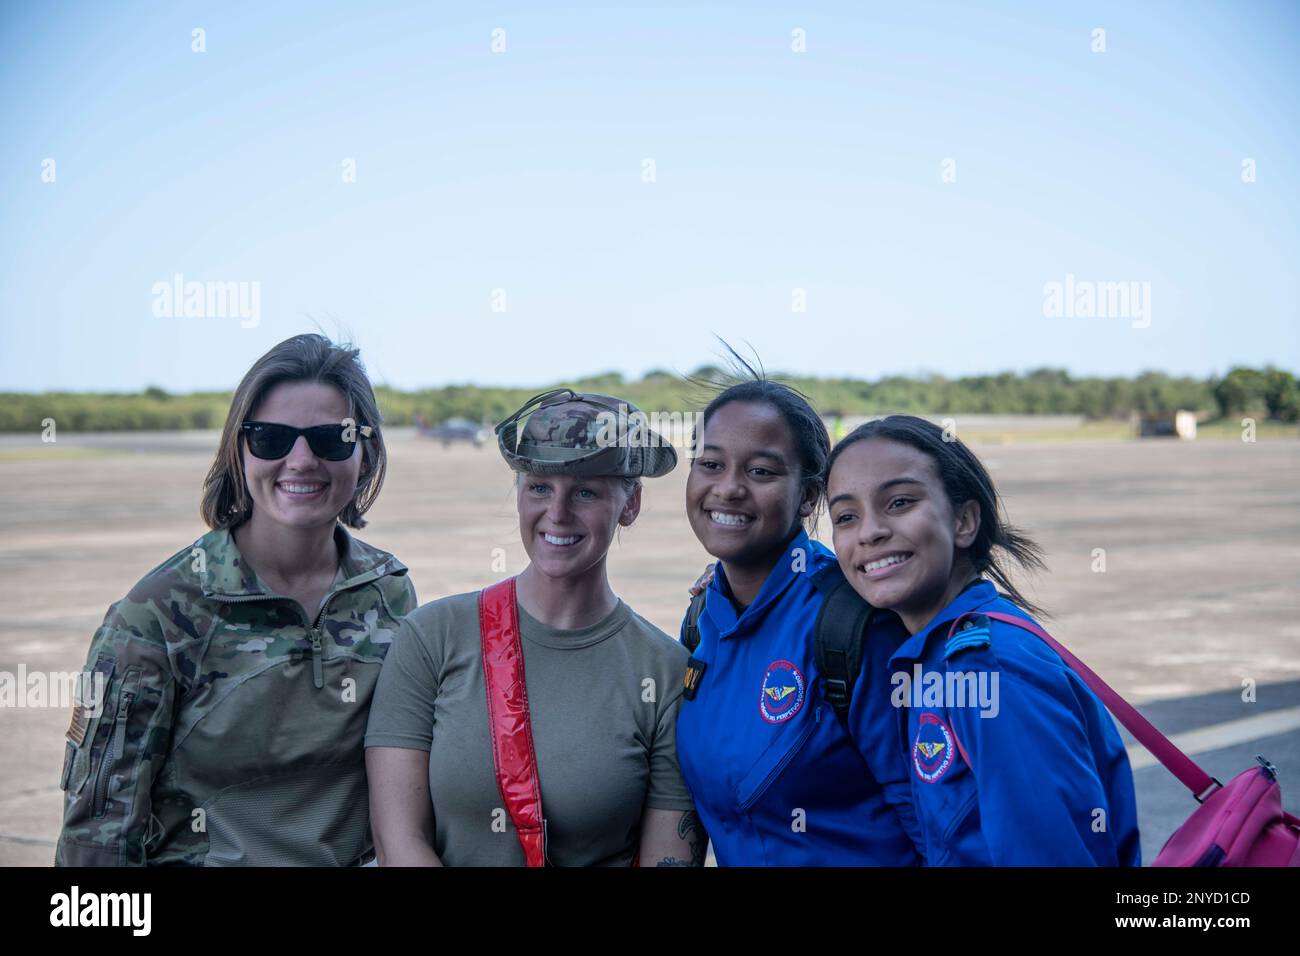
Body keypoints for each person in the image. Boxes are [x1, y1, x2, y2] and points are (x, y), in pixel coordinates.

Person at [55, 333, 417, 866]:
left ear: (365, 453)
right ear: (238, 450)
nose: (301, 460)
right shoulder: (157, 615)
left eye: (331, 438)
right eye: (270, 438)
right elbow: (98, 840)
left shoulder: (388, 591)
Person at [365, 388, 704, 866]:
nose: (558, 513)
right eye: (539, 487)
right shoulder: (431, 639)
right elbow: (398, 842)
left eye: (586, 491)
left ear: (631, 505)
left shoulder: (667, 674)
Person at [825, 415, 1141, 865]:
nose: (869, 531)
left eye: (898, 502)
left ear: (964, 521)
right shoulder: (939, 652)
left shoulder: (987, 668)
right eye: (846, 516)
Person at [673, 359, 922, 865]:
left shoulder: (854, 625)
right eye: (711, 463)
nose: (728, 488)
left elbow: (931, 822)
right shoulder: (702, 619)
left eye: (760, 471)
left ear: (809, 494)